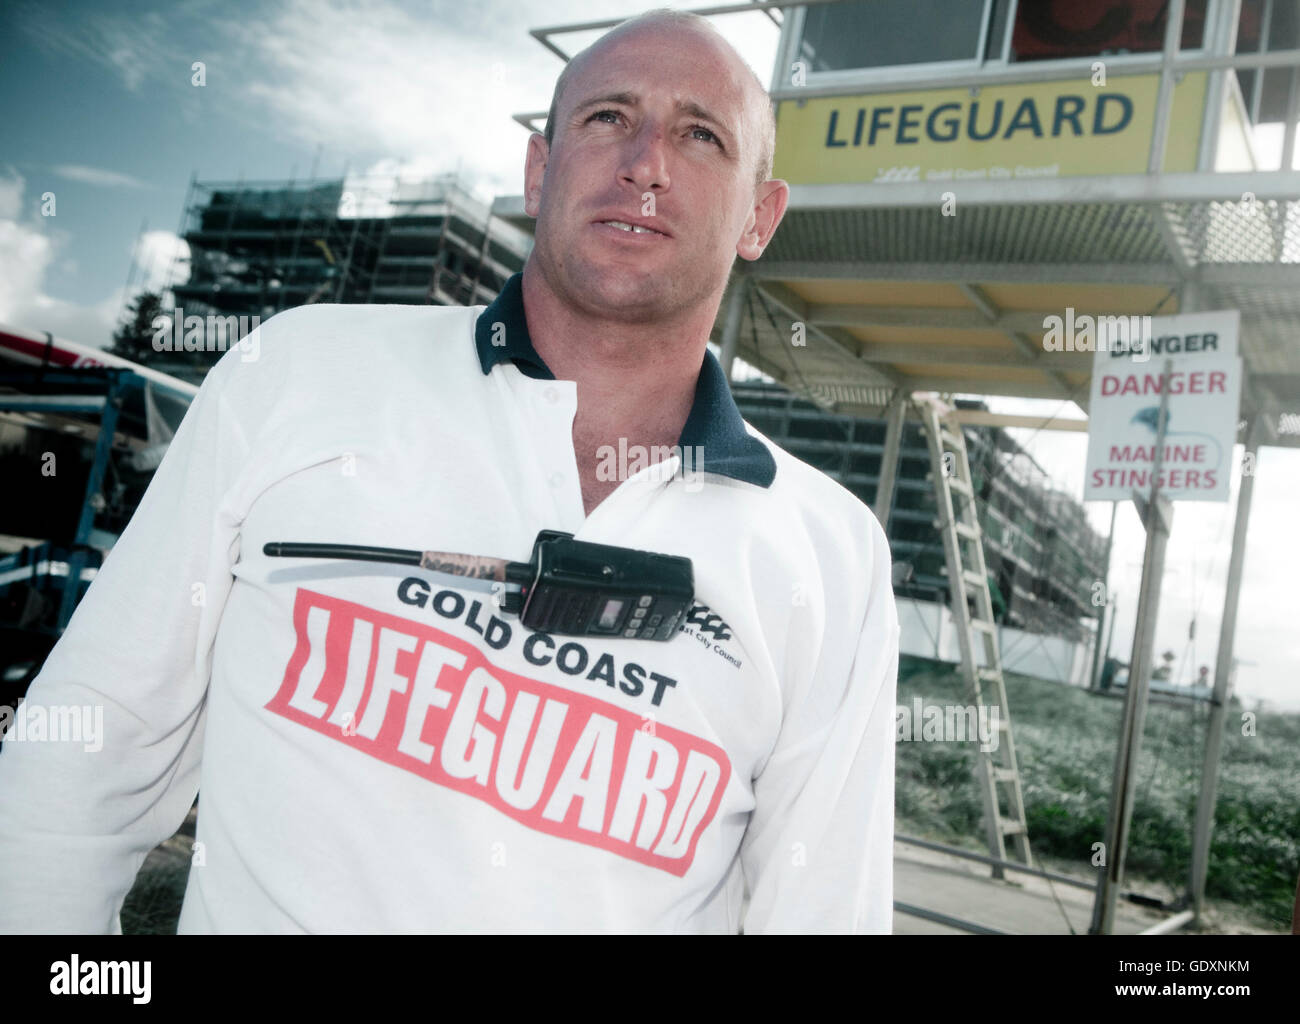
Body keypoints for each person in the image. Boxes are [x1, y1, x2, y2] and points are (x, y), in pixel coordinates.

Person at [0, 7, 898, 934]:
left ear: (760, 216)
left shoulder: (831, 559)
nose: (647, 163)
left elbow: (820, 909)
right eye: (606, 118)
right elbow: (80, 761)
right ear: (539, 170)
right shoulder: (302, 374)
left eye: (700, 135)